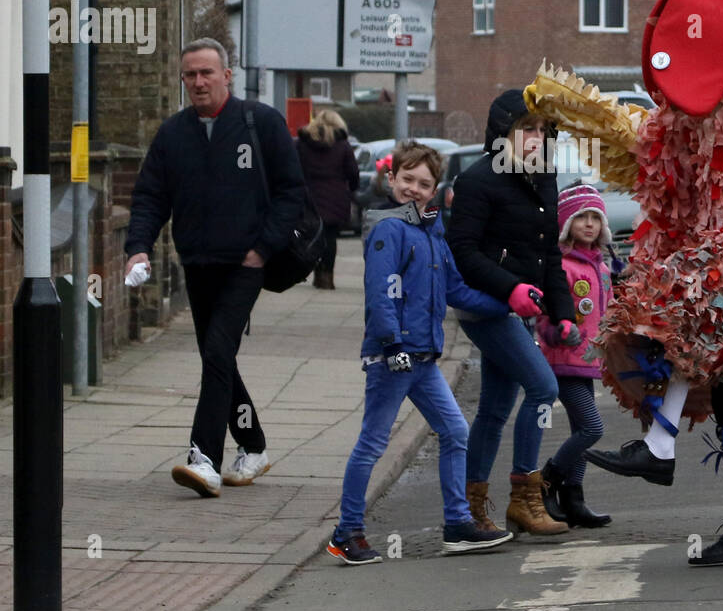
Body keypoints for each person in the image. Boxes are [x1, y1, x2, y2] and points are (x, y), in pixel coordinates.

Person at [124, 37, 304, 497]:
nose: (199, 82)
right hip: (198, 263)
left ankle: (203, 458)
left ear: (227, 75)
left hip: (246, 264)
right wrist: (138, 247)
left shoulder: (260, 123)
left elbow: (291, 193)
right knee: (217, 356)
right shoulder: (173, 134)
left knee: (217, 351)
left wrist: (262, 249)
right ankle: (254, 445)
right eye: (190, 75)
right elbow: (149, 197)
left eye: (207, 72)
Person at [328, 142, 514, 563]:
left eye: (424, 183)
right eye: (407, 179)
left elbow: (455, 291)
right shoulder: (389, 229)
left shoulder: (431, 233)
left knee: (454, 432)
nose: (414, 188)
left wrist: (508, 302)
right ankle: (347, 532)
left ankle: (457, 524)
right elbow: (381, 293)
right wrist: (391, 344)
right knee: (373, 443)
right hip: (394, 357)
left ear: (434, 190)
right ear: (391, 179)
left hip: (423, 358)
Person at [446, 91, 582, 537]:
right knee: (543, 388)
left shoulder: (544, 177)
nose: (536, 139)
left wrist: (563, 314)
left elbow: (549, 255)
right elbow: (462, 252)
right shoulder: (477, 180)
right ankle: (525, 497)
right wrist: (510, 288)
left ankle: (470, 507)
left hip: (521, 310)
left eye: (543, 131)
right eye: (527, 129)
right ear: (503, 133)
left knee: (495, 408)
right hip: (486, 307)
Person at [537, 183, 614, 528]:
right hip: (563, 359)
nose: (588, 224)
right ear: (567, 223)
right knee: (591, 428)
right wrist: (556, 332)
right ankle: (549, 478)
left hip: (589, 361)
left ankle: (574, 498)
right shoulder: (562, 266)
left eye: (594, 217)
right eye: (581, 217)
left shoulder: (602, 267)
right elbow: (544, 312)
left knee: (580, 427)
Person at [295, 109, 359, 289]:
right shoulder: (343, 145)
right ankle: (326, 276)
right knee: (330, 238)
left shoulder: (302, 144)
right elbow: (353, 173)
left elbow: (292, 169)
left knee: (311, 236)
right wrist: (351, 191)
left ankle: (313, 270)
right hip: (335, 197)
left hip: (308, 197)